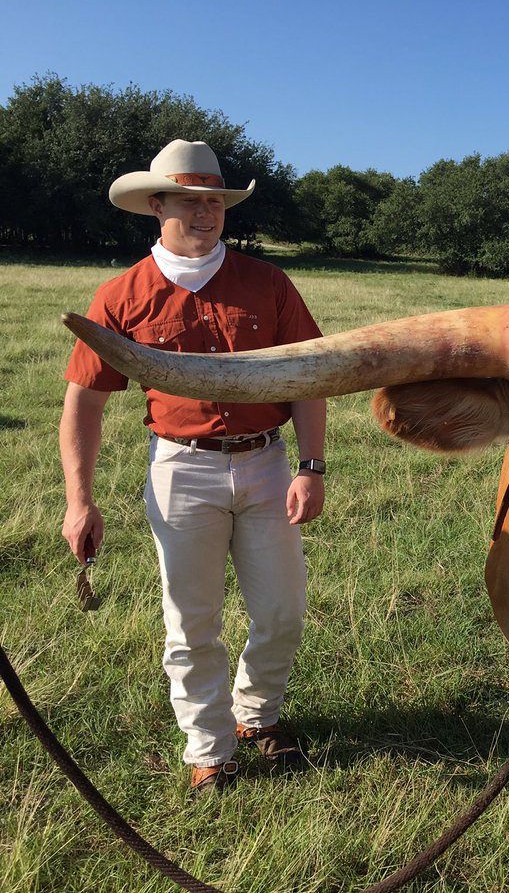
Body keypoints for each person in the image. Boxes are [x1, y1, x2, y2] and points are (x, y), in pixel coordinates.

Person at [59, 140, 328, 795]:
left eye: (215, 202)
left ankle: (255, 715)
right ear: (157, 205)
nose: (205, 213)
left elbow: (310, 378)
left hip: (267, 463)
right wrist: (79, 500)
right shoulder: (122, 296)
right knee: (191, 619)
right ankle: (209, 748)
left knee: (284, 611)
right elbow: (83, 405)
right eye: (189, 201)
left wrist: (311, 466)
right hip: (182, 471)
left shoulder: (268, 283)